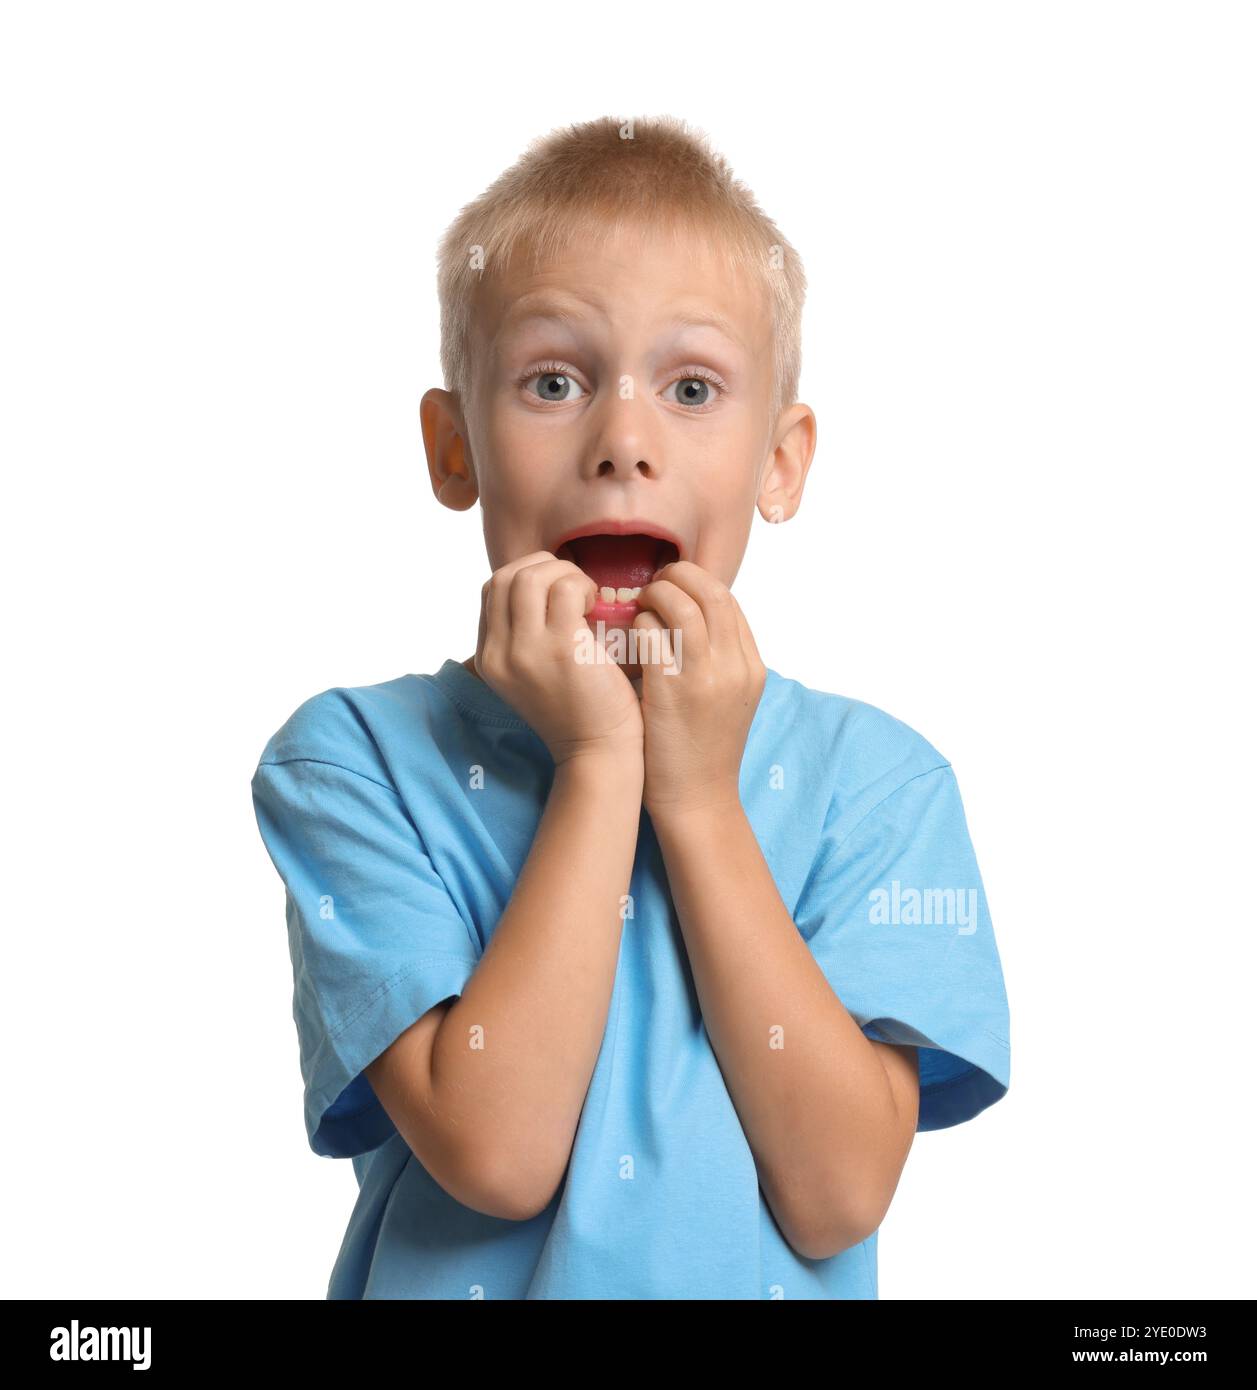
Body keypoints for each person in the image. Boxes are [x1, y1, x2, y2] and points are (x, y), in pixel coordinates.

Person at [250, 114, 1011, 1299]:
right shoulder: (353, 763)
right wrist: (604, 764)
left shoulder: (880, 784)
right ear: (455, 450)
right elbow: (496, 1153)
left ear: (782, 460)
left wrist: (699, 799)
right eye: (553, 381)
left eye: (693, 387)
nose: (622, 441)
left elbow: (838, 1190)